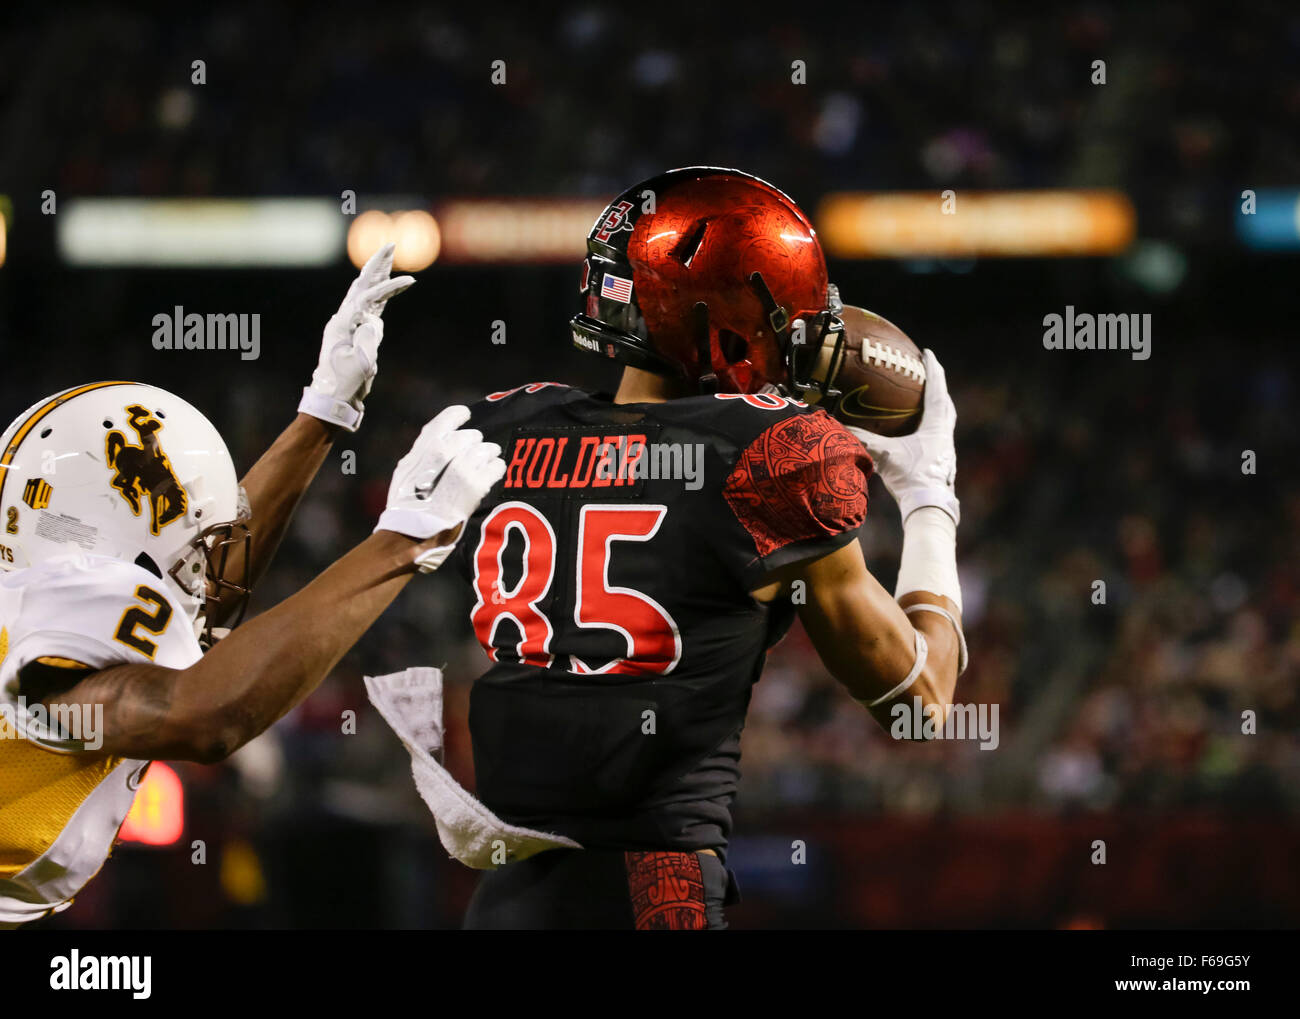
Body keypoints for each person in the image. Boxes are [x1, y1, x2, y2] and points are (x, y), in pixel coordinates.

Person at [447, 167, 966, 929]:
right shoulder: (771, 455)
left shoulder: (506, 430)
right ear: (726, 327)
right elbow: (922, 702)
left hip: (507, 894)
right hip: (657, 890)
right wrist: (929, 496)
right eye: (785, 316)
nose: (800, 336)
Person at [0, 245, 505, 926]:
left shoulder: (33, 594)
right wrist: (398, 544)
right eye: (176, 522)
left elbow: (203, 591)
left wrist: (324, 411)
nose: (200, 550)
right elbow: (202, 715)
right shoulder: (54, 623)